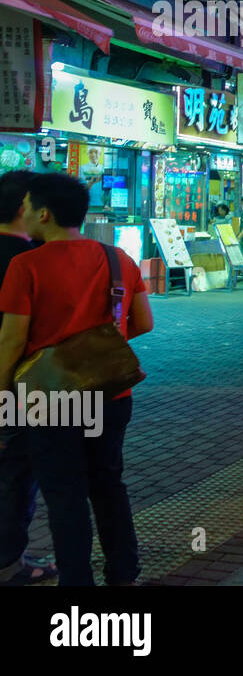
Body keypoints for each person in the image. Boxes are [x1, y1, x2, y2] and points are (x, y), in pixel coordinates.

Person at [0, 172, 154, 586]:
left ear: (44, 214)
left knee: (64, 494)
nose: (25, 214)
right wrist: (97, 347)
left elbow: (12, 340)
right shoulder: (117, 258)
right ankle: (123, 573)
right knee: (108, 484)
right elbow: (143, 322)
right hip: (110, 392)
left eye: (29, 207)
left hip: (50, 401)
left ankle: (76, 580)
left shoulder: (25, 264)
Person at [0, 170, 55, 586]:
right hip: (19, 389)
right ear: (25, 209)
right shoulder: (30, 261)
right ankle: (9, 562)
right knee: (16, 477)